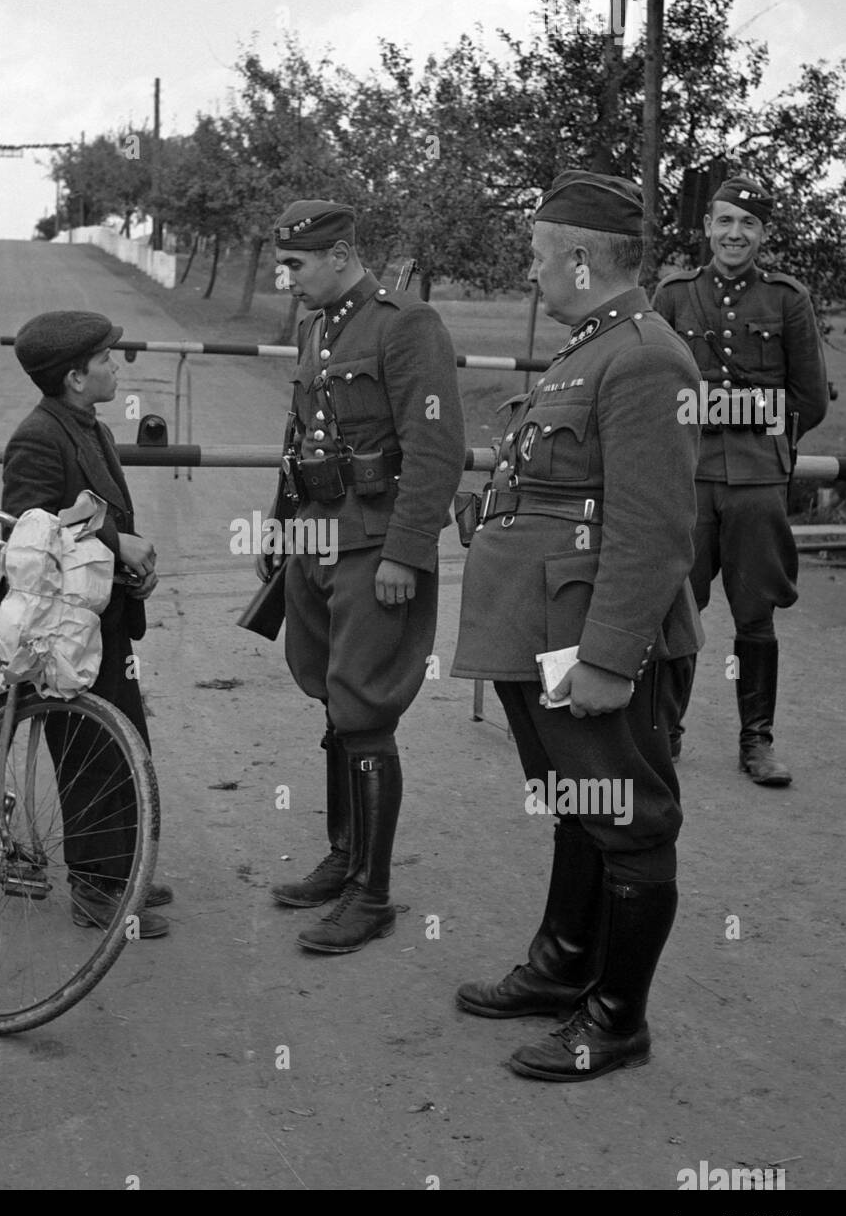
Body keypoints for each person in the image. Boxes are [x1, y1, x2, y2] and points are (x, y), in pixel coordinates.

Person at [451, 171, 703, 1080]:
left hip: (587, 642)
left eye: (536, 257)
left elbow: (654, 527)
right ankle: (563, 967)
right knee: (576, 804)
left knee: (629, 820)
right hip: (544, 629)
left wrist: (607, 660)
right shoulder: (591, 349)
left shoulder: (643, 357)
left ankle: (616, 1017)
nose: (531, 275)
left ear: (582, 259)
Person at [260, 200, 466, 953]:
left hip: (375, 546)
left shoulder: (405, 324)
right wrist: (279, 527)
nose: (286, 280)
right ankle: (344, 858)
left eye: (295, 265)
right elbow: (297, 441)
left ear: (341, 255)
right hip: (317, 539)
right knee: (330, 696)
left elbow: (436, 448)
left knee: (364, 710)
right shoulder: (318, 327)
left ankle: (372, 896)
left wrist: (405, 556)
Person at [653, 175, 828, 784]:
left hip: (757, 482)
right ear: (707, 228)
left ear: (762, 234)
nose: (735, 234)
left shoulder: (786, 300)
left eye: (747, 224)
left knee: (756, 615)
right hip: (689, 476)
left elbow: (809, 397)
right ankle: (663, 734)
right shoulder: (674, 294)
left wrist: (759, 433)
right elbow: (650, 382)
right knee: (676, 605)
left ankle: (757, 742)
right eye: (724, 221)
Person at [2, 310, 171, 937]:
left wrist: (129, 565)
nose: (117, 367)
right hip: (63, 627)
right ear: (75, 376)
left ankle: (123, 868)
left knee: (126, 741)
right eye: (107, 359)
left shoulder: (86, 425)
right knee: (90, 751)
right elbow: (27, 522)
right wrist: (115, 540)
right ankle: (97, 892)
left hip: (103, 616)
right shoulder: (40, 435)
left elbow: (99, 514)